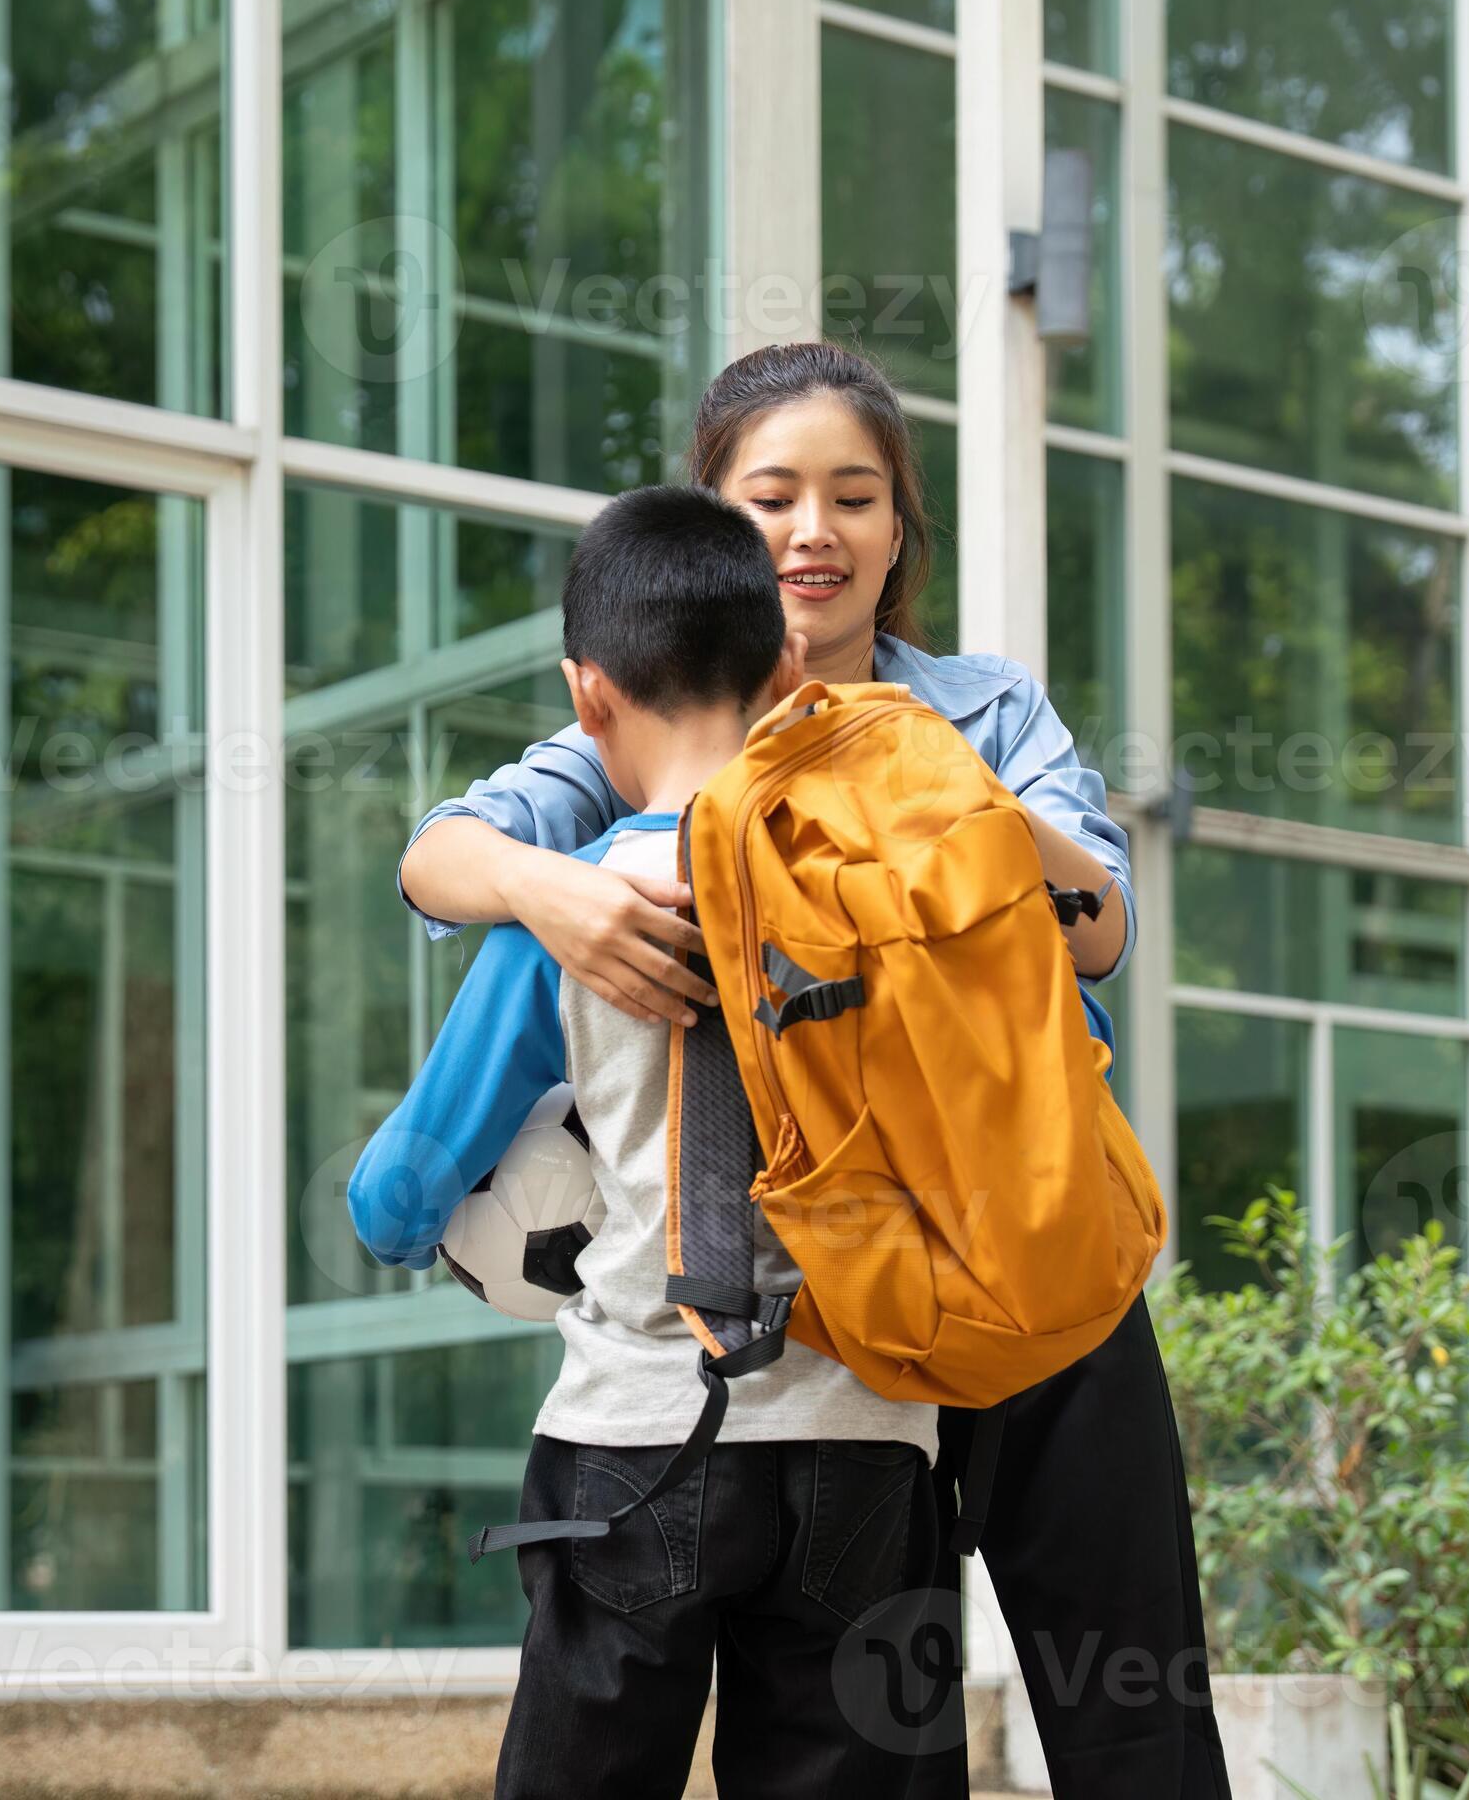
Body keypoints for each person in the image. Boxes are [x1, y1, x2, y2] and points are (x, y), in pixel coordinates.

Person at [397, 344, 1232, 1800]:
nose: (815, 530)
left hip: (1020, 1214)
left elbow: (1101, 932)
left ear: (901, 529)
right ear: (714, 519)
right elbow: (435, 862)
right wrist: (551, 893)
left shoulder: (976, 714)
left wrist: (917, 778)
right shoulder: (651, 719)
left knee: (1126, 1670)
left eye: (857, 497)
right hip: (811, 1270)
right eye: (772, 495)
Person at [348, 483, 943, 1800]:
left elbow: (400, 1191)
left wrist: (392, 1219)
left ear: (587, 694)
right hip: (871, 1437)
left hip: (638, 1439)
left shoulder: (564, 916)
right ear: (786, 662)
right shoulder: (899, 891)